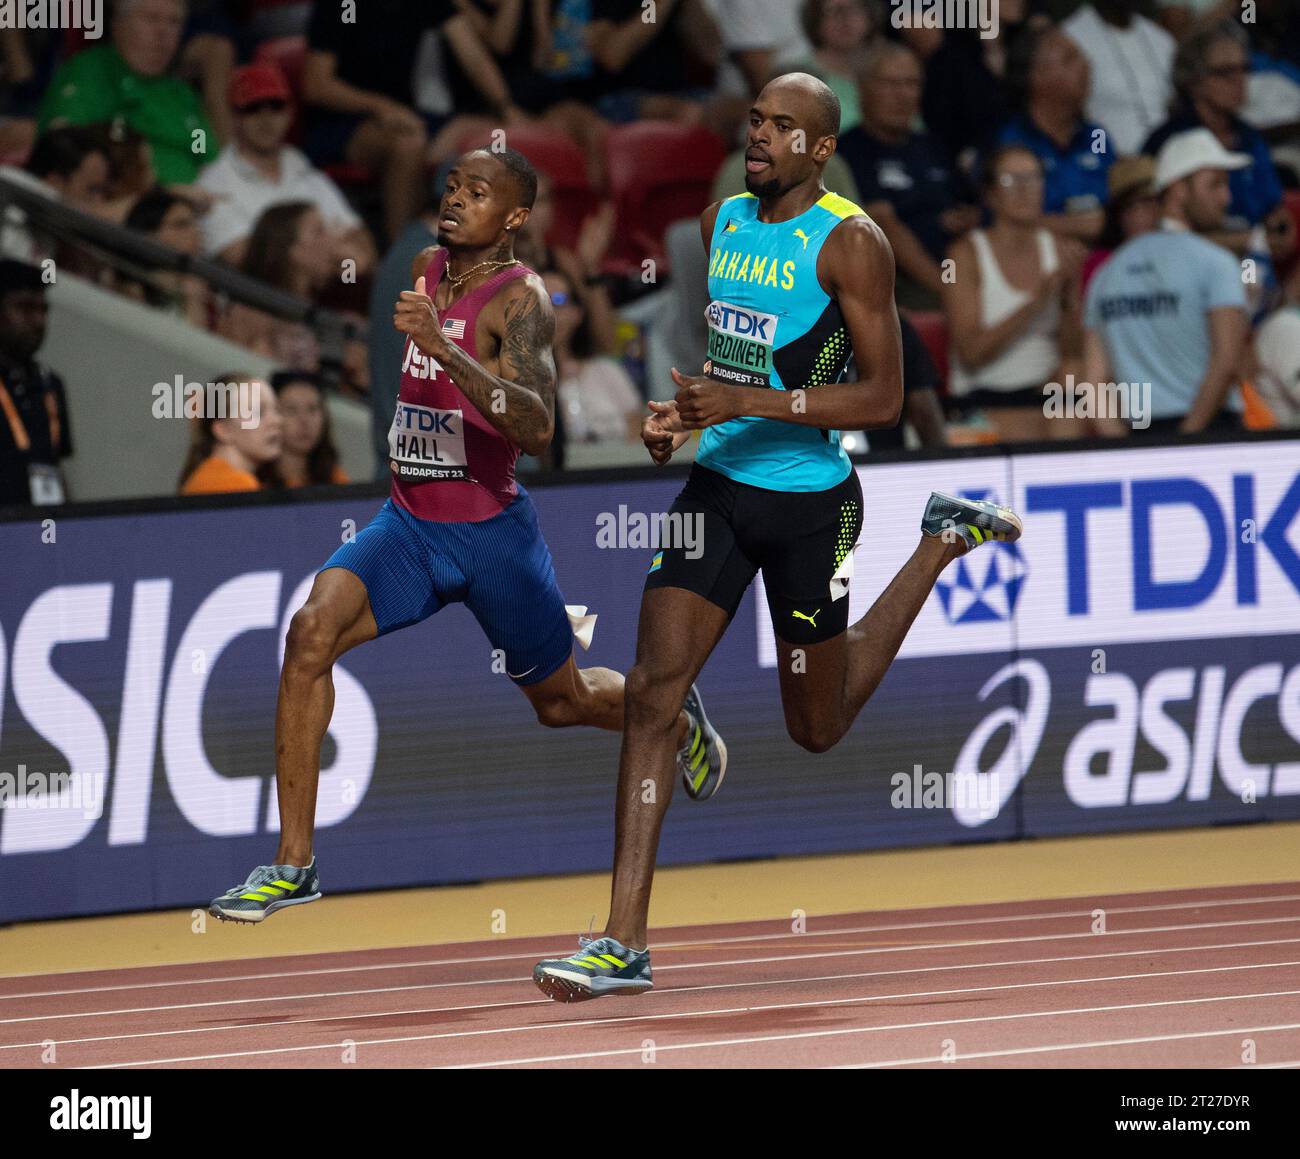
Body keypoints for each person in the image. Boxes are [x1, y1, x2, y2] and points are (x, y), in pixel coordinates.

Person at [531, 74, 1022, 1002]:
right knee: (648, 695)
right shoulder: (722, 224)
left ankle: (937, 545)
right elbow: (730, 358)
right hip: (716, 487)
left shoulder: (853, 241)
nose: (761, 136)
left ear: (822, 148)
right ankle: (623, 941)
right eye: (756, 120)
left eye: (784, 127)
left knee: (817, 727)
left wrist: (748, 403)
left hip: (812, 507)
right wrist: (680, 417)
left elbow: (879, 397)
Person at [207, 148, 716, 924]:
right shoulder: (421, 264)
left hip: (490, 537)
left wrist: (447, 349)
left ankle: (675, 719)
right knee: (310, 633)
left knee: (562, 701)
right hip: (407, 524)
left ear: (513, 217)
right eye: (450, 187)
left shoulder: (524, 302)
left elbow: (541, 428)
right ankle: (293, 862)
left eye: (478, 193)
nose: (454, 201)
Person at [1084, 128, 1251, 436]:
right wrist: (1185, 441)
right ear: (1178, 190)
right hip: (1212, 431)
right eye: (1215, 184)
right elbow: (1227, 362)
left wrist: (1126, 449)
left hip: (1142, 435)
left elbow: (1094, 384)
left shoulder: (1106, 274)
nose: (1226, 198)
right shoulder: (1217, 263)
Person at [943, 145, 1084, 443]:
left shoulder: (1059, 249)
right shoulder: (963, 255)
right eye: (1011, 181)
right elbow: (971, 354)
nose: (1025, 190)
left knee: (1074, 374)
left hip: (1044, 394)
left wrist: (1070, 300)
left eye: (1033, 179)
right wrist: (1036, 301)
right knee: (1035, 424)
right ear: (990, 195)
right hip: (984, 398)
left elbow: (1072, 352)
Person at [837, 41, 978, 308]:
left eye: (911, 84)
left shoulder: (934, 146)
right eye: (891, 84)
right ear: (863, 89)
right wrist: (948, 292)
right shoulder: (848, 152)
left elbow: (974, 207)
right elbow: (883, 226)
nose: (903, 95)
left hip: (960, 267)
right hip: (899, 282)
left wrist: (964, 219)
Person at [197, 62, 375, 273]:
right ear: (235, 117)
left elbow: (363, 250)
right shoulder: (213, 182)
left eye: (276, 106)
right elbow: (244, 258)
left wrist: (323, 254)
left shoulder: (304, 170)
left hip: (313, 299)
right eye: (253, 108)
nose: (266, 119)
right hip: (254, 302)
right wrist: (335, 251)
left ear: (290, 113)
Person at [1142, 21, 1286, 258]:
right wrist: (1246, 240)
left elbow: (1272, 205)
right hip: (1190, 262)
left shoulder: (1251, 137)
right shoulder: (1168, 142)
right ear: (1194, 81)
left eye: (1244, 69)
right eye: (1226, 72)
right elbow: (1161, 229)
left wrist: (1279, 223)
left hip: (1255, 261)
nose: (1240, 80)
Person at [38, 0, 216, 185]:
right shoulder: (89, 73)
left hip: (192, 203)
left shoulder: (183, 95)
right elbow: (63, 146)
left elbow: (203, 152)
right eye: (151, 19)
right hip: (117, 200)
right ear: (118, 24)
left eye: (174, 22)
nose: (163, 32)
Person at [996, 26, 1115, 244]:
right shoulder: (1011, 142)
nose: (1086, 65)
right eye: (1070, 60)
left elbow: (1116, 204)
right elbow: (1005, 221)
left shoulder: (1096, 137)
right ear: (1035, 76)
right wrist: (1088, 225)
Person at [218, 200, 331, 368]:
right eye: (319, 231)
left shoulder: (330, 303)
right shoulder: (248, 314)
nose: (332, 239)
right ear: (289, 248)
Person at [0, 259, 72, 507]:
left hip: (42, 525)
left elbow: (55, 465)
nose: (38, 321)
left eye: (43, 310)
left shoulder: (50, 383)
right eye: (25, 309)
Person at [1062, 0, 1175, 157]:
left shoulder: (1161, 40)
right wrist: (1103, 157)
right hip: (1106, 163)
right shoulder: (1070, 38)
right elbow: (1079, 119)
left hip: (1166, 161)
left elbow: (1172, 106)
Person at [545, 266, 642, 443]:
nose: (548, 312)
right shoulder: (519, 383)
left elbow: (638, 434)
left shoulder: (607, 370)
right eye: (538, 300)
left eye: (558, 301)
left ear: (576, 313)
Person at [118, 188, 211, 327]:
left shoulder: (205, 285)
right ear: (149, 235)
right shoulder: (129, 290)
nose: (195, 232)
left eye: (194, 224)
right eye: (181, 225)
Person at [178, 373, 284, 493]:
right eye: (258, 412)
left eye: (277, 410)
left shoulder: (210, 477)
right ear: (223, 430)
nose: (277, 421)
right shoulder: (233, 485)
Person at [1082, 154, 1160, 292]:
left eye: (1159, 201)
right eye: (1146, 202)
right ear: (1119, 214)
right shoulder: (1100, 266)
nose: (1155, 211)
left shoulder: (1179, 253)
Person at [271, 368, 350, 486]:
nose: (304, 420)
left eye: (312, 409)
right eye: (291, 410)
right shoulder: (252, 481)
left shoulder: (335, 478)